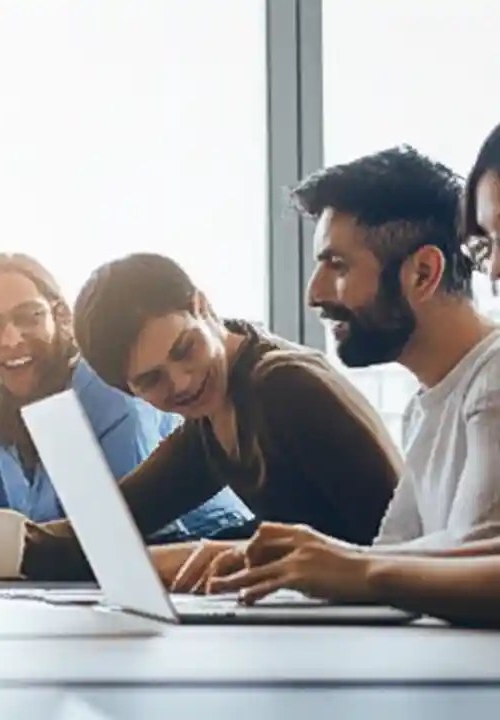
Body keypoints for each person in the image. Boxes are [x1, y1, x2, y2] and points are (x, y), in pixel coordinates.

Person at [208, 142, 500, 614]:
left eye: (337, 266)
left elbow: (477, 558)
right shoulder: (427, 402)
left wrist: (344, 565)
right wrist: (275, 561)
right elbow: (389, 556)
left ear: (423, 273)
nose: (314, 294)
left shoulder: (493, 381)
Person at [15, 253, 402, 584]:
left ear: (202, 307)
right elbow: (118, 520)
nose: (182, 381)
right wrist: (8, 549)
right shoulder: (214, 413)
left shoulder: (285, 386)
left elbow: (399, 548)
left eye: (186, 349)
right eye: (151, 380)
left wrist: (234, 552)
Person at [0, 253, 251, 584]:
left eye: (29, 317)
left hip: (197, 566)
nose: (10, 340)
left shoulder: (108, 392)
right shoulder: (2, 407)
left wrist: (23, 555)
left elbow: (131, 533)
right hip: (89, 575)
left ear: (59, 317)